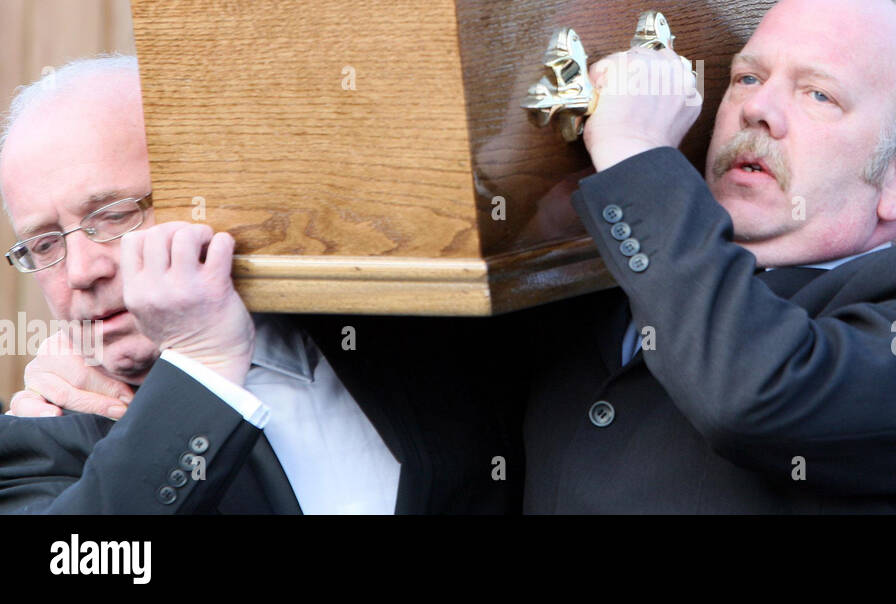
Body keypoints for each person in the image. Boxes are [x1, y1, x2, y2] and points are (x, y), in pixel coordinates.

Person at [521, 0, 896, 513]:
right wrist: (534, 249)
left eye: (819, 94)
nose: (757, 108)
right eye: (746, 77)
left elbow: (752, 397)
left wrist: (633, 155)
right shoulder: (623, 266)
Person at [0, 56, 521, 513]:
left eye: (112, 216)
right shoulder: (48, 431)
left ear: (215, 185)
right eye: (45, 245)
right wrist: (200, 367)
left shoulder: (423, 326)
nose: (81, 271)